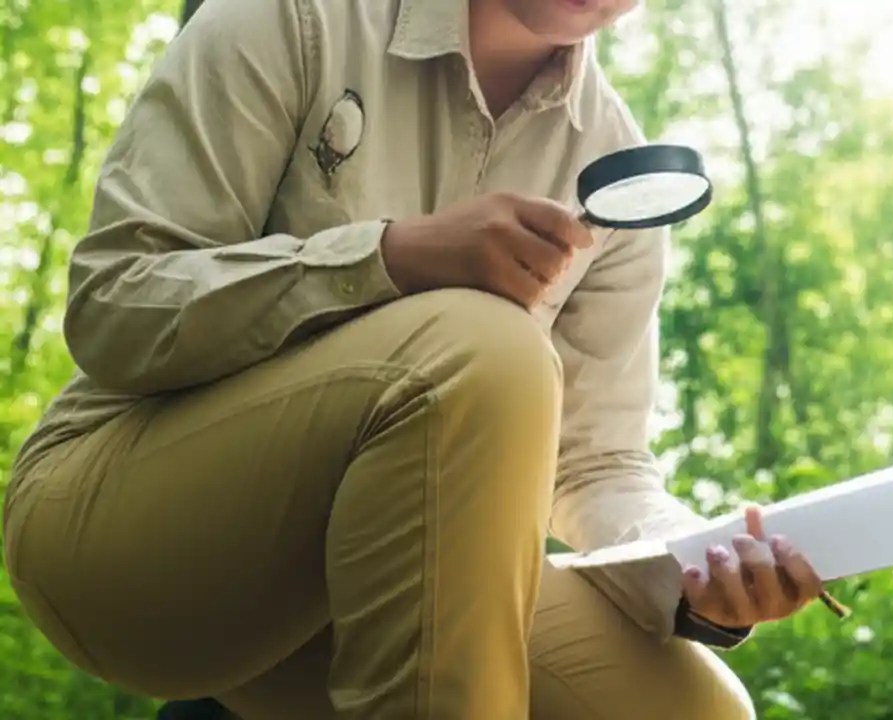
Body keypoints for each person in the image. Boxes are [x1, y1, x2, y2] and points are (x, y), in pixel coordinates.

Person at [1, 0, 829, 717]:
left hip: (373, 576)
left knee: (698, 711)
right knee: (487, 347)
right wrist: (389, 257)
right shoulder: (292, 17)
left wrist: (702, 565)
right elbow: (116, 301)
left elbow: (596, 465)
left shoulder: (614, 160)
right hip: (115, 526)